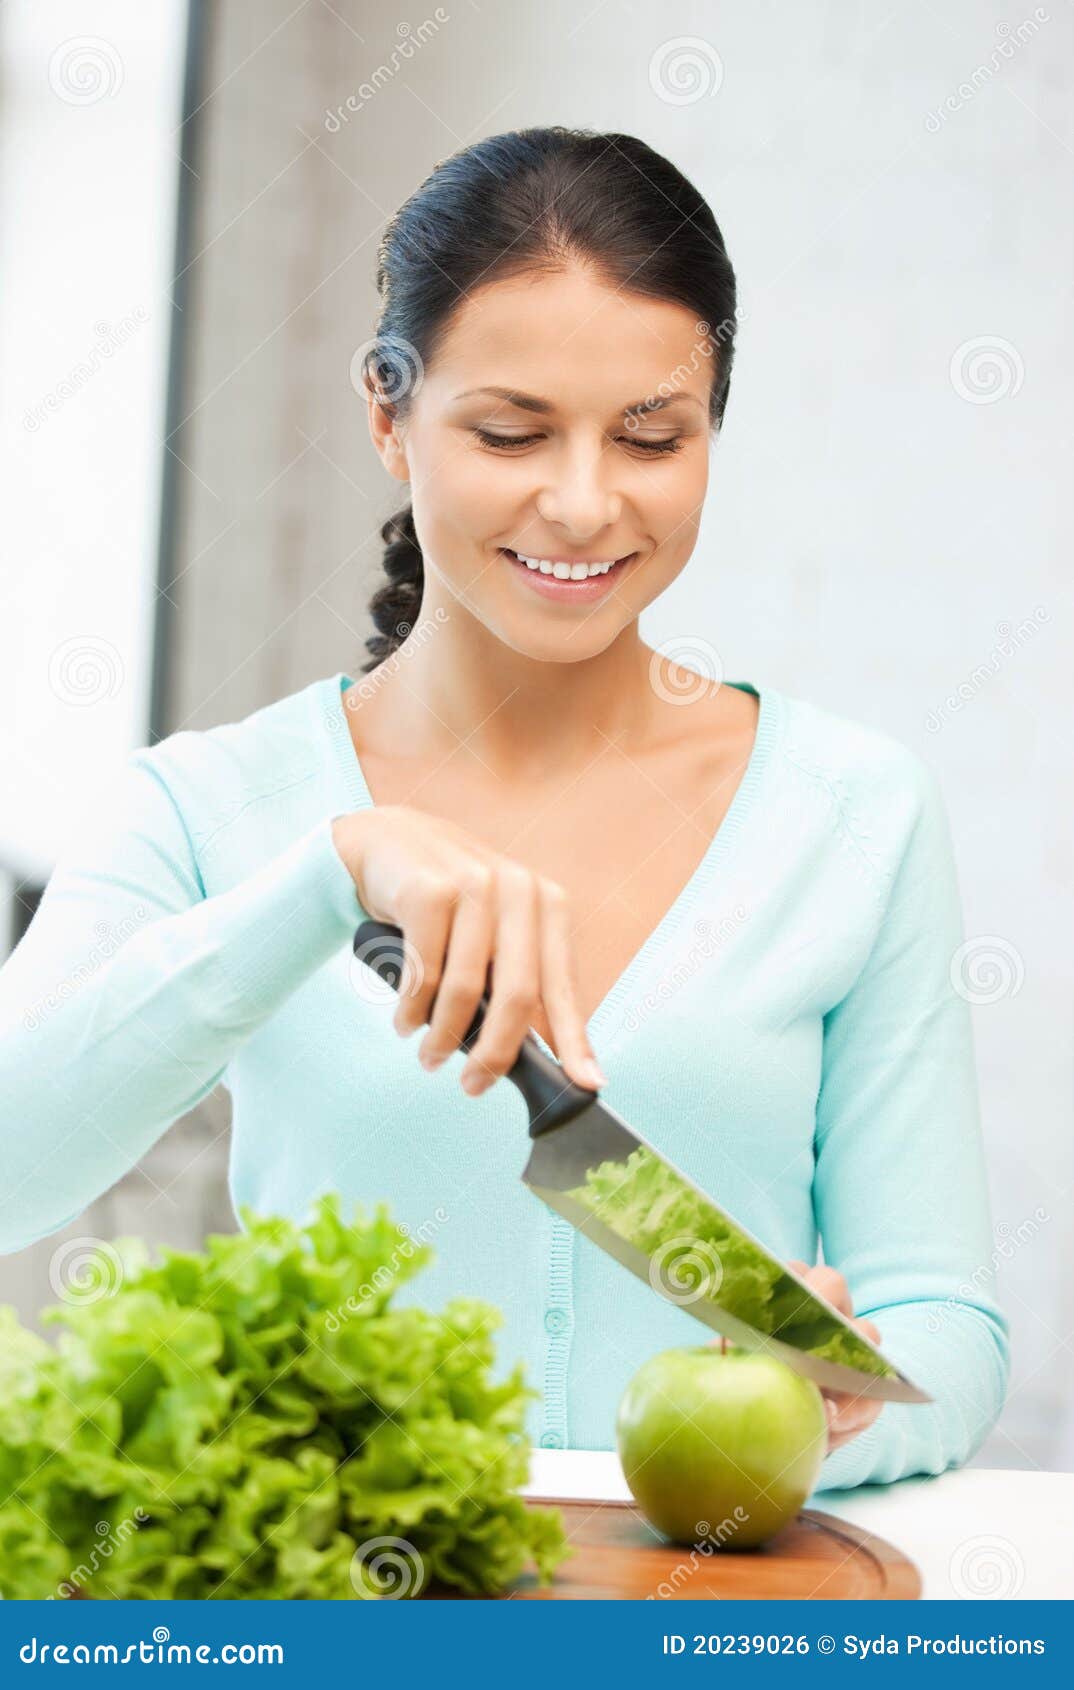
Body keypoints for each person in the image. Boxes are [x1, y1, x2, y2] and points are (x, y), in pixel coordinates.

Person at [0, 127, 1008, 1489]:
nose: (583, 504)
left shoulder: (855, 812)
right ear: (386, 412)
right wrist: (327, 878)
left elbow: (945, 1326)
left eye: (651, 436)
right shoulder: (203, 806)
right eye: (510, 431)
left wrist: (839, 1397)